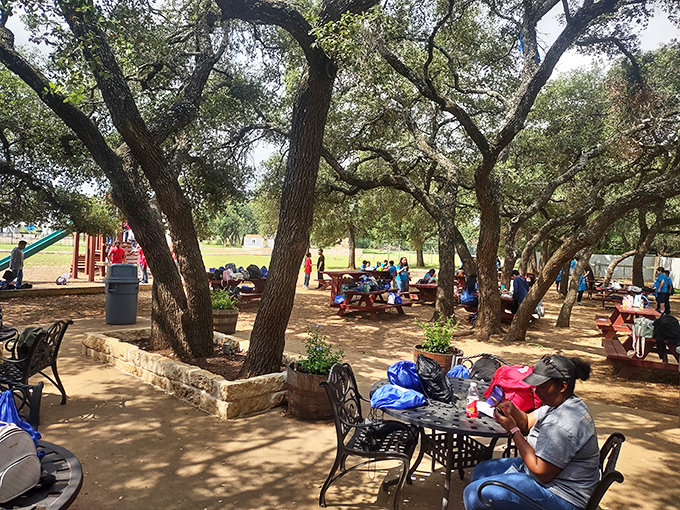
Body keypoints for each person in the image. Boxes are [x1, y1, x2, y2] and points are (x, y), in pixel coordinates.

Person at [463, 355, 599, 510]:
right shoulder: (559, 403)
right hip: (545, 474)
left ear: (562, 386)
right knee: (482, 471)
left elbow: (541, 472)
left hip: (562, 495)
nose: (536, 391)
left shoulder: (564, 422)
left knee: (474, 494)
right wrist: (513, 409)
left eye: (541, 386)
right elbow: (527, 422)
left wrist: (514, 430)